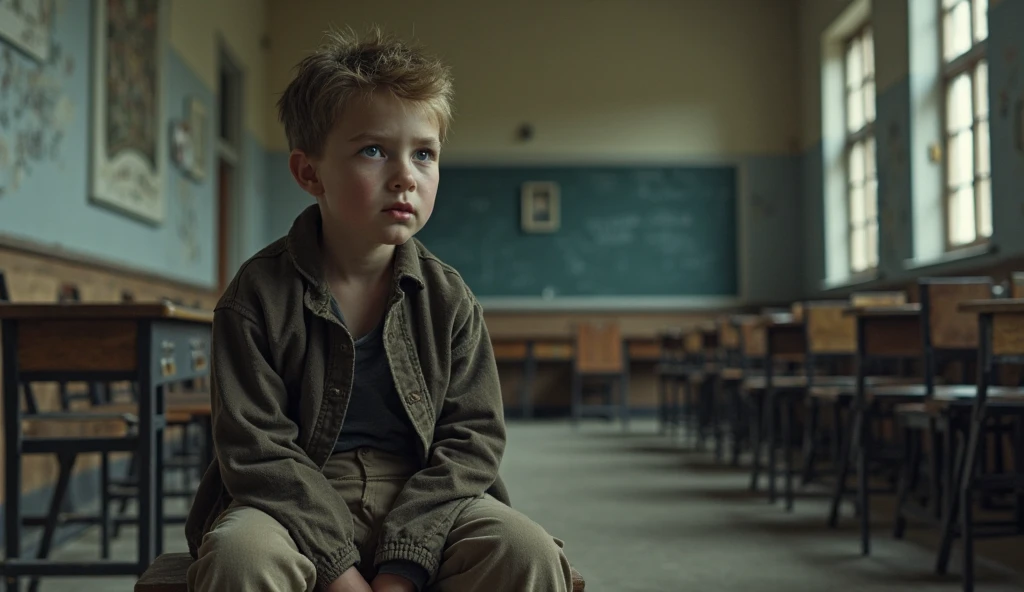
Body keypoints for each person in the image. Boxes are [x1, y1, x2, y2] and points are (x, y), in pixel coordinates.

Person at [183, 26, 574, 592]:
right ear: (309, 172)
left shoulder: (450, 300)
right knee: (240, 558)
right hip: (290, 500)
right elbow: (256, 451)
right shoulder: (256, 297)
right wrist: (340, 572)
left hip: (426, 497)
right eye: (373, 151)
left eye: (424, 154)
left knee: (525, 552)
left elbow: (472, 443)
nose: (405, 177)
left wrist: (402, 565)